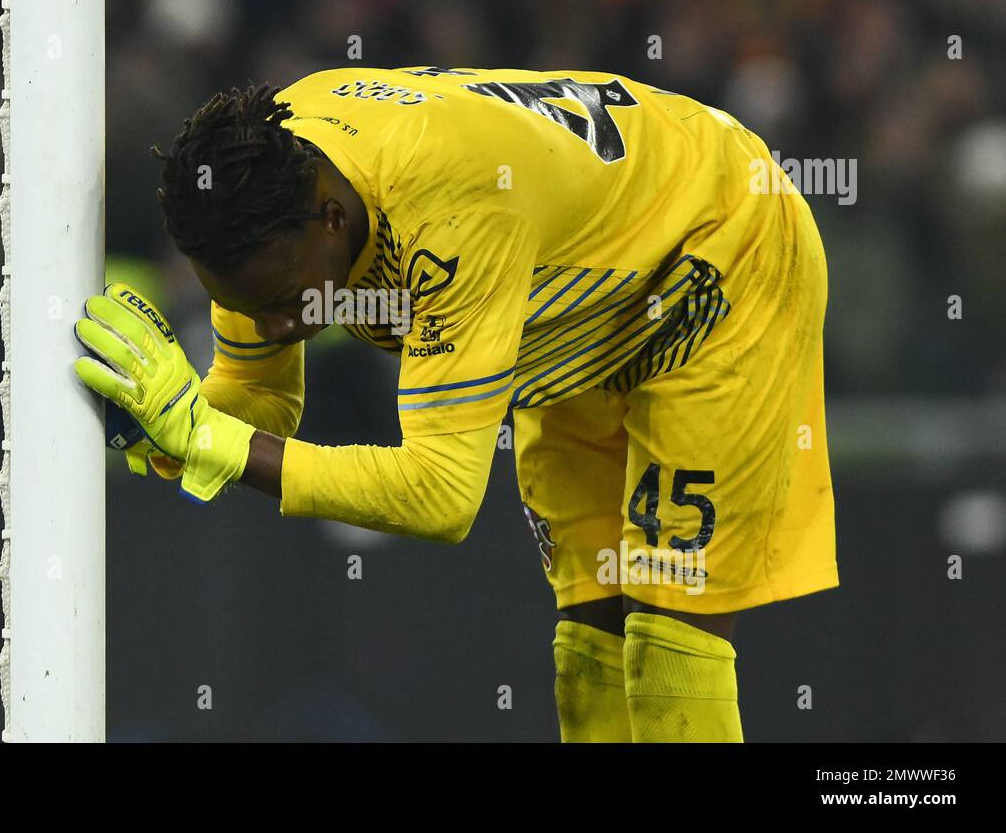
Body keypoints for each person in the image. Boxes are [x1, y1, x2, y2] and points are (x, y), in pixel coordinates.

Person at [74, 66, 838, 742]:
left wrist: (210, 440)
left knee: (670, 641)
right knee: (589, 650)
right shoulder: (262, 190)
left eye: (281, 303)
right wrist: (163, 432)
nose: (274, 326)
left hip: (715, 249)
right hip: (567, 306)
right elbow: (259, 407)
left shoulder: (450, 214)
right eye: (240, 306)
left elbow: (441, 495)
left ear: (333, 219)